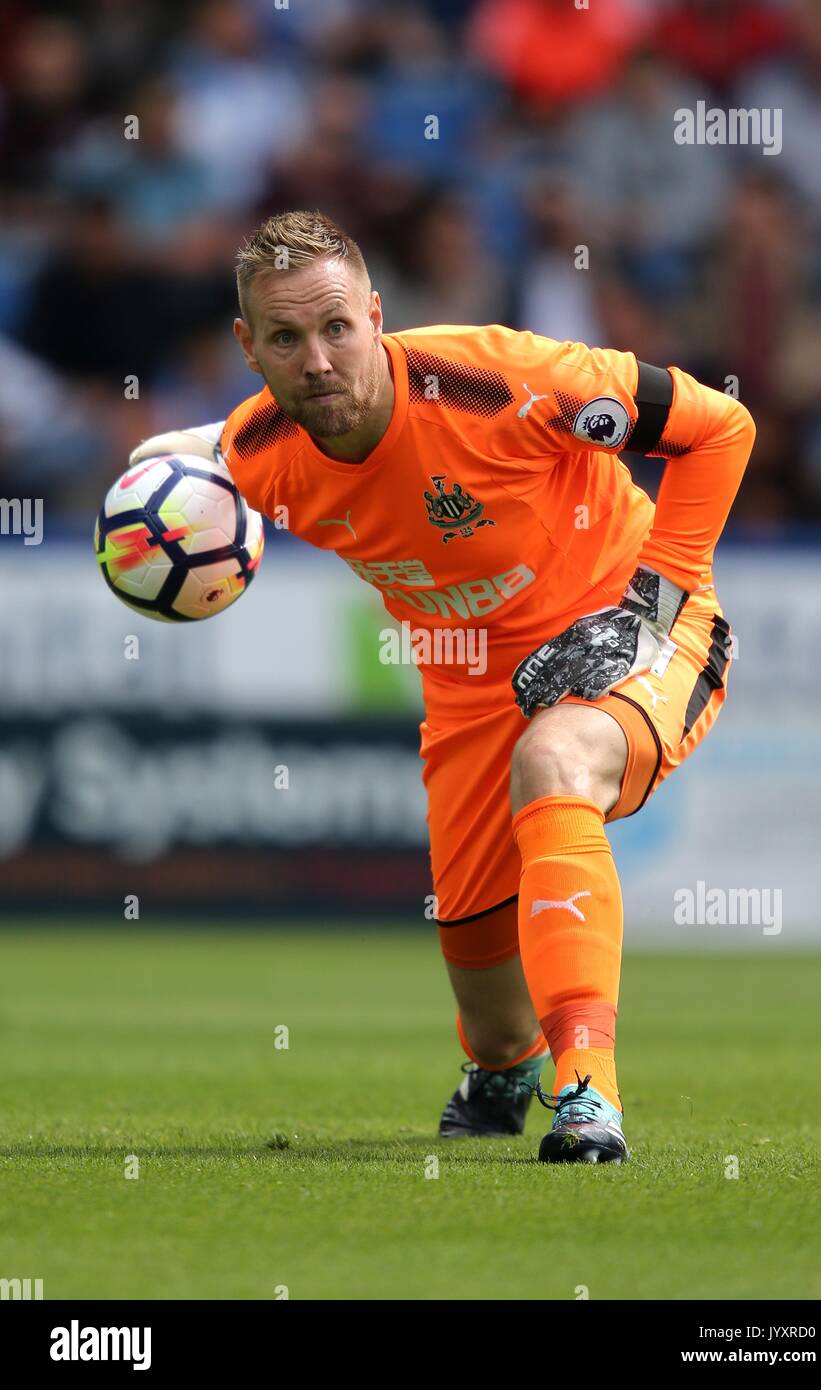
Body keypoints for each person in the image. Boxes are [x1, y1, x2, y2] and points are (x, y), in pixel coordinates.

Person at [131, 210, 755, 1164]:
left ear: (377, 316)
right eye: (287, 339)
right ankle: (507, 1067)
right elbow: (231, 452)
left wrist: (651, 601)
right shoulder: (252, 455)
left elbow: (722, 427)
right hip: (466, 684)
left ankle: (588, 1091)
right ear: (246, 347)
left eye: (339, 327)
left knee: (557, 759)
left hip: (638, 625)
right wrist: (198, 457)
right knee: (493, 1015)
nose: (320, 360)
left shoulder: (500, 381)